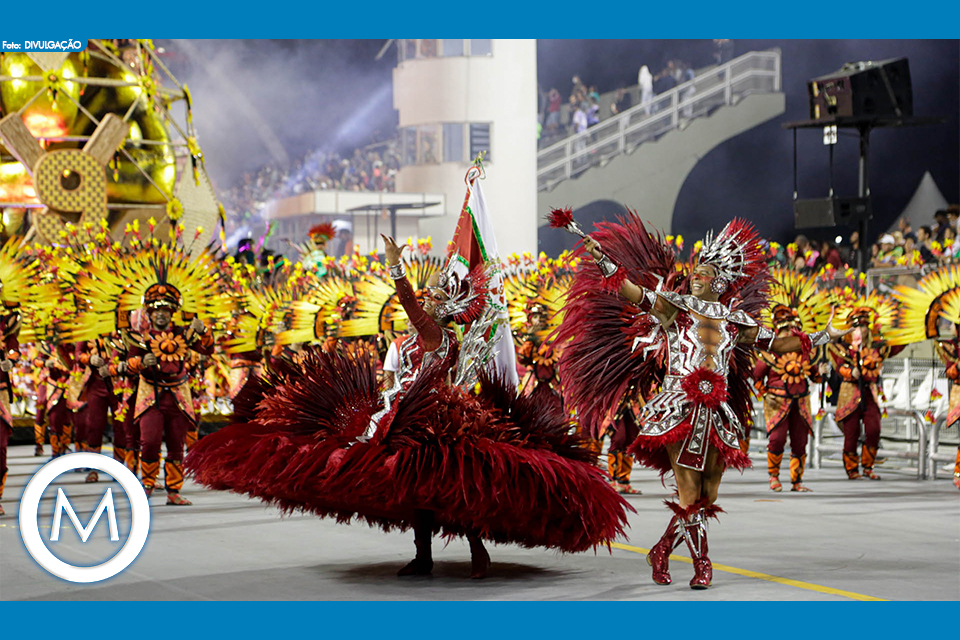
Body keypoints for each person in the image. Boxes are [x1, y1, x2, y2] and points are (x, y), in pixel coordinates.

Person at [187, 234, 630, 579]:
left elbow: (413, 309)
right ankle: (424, 557)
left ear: (442, 312)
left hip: (440, 423)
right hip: (405, 418)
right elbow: (399, 364)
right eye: (428, 299)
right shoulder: (415, 341)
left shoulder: (438, 336)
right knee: (421, 492)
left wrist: (398, 270)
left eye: (435, 302)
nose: (428, 305)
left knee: (455, 490)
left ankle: (477, 551)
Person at [553, 211, 847, 589]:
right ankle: (702, 565)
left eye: (703, 273)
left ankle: (661, 550)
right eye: (695, 272)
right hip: (680, 407)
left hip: (718, 413)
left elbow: (777, 343)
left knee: (706, 496)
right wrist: (601, 258)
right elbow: (632, 292)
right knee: (689, 492)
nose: (695, 275)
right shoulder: (673, 308)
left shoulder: (734, 320)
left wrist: (825, 335)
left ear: (718, 281)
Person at [126, 284, 215, 504]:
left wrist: (203, 331)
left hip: (178, 395)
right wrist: (140, 362)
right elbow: (127, 364)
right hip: (150, 396)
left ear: (172, 312)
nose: (161, 314)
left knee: (176, 444)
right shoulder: (141, 339)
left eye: (166, 310)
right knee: (150, 442)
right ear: (150, 313)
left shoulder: (184, 334)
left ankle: (174, 491)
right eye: (157, 310)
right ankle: (147, 484)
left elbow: (207, 350)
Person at [753, 271, 830, 492]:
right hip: (777, 401)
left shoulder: (804, 349)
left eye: (793, 328)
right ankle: (774, 477)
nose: (790, 332)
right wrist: (763, 392)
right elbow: (757, 376)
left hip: (801, 401)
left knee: (800, 441)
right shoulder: (769, 351)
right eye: (786, 329)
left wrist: (821, 372)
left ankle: (797, 481)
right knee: (777, 439)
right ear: (778, 329)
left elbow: (814, 374)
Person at [828, 300, 904, 480]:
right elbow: (839, 368)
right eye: (856, 328)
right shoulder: (842, 350)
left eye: (863, 328)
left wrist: (904, 328)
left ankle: (868, 466)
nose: (859, 332)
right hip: (849, 393)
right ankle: (852, 469)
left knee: (873, 429)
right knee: (851, 433)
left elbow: (897, 345)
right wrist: (850, 371)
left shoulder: (876, 350)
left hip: (869, 393)